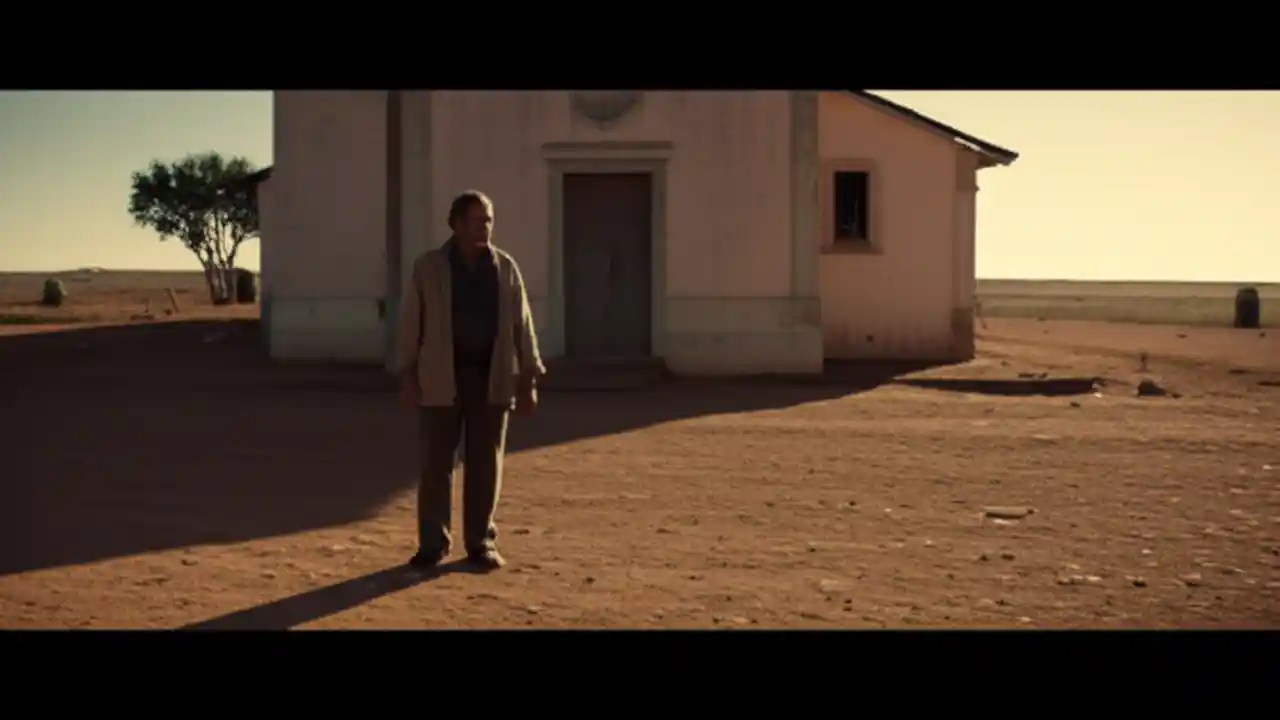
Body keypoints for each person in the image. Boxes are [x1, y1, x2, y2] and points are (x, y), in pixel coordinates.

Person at [394, 190, 545, 571]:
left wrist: (528, 379)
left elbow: (522, 325)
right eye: (478, 221)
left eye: (489, 220)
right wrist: (409, 377)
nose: (485, 227)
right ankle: (432, 544)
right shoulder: (428, 268)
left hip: (490, 378)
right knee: (435, 465)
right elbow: (411, 325)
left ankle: (481, 542)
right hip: (440, 378)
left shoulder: (505, 267)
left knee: (485, 464)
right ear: (457, 225)